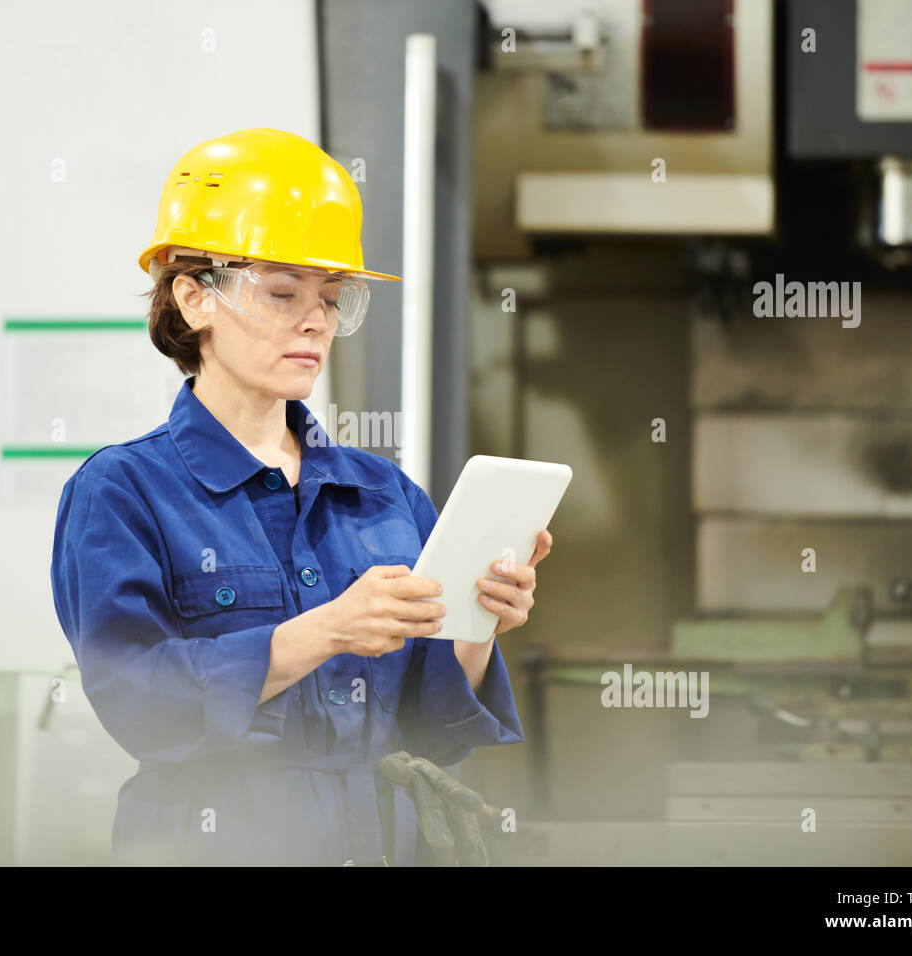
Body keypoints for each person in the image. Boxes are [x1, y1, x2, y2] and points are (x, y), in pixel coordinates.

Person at [50, 128, 552, 865]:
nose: (315, 320)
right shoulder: (124, 492)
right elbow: (137, 703)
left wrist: (478, 626)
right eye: (283, 292)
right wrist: (329, 630)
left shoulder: (383, 494)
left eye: (330, 297)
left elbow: (431, 733)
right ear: (194, 299)